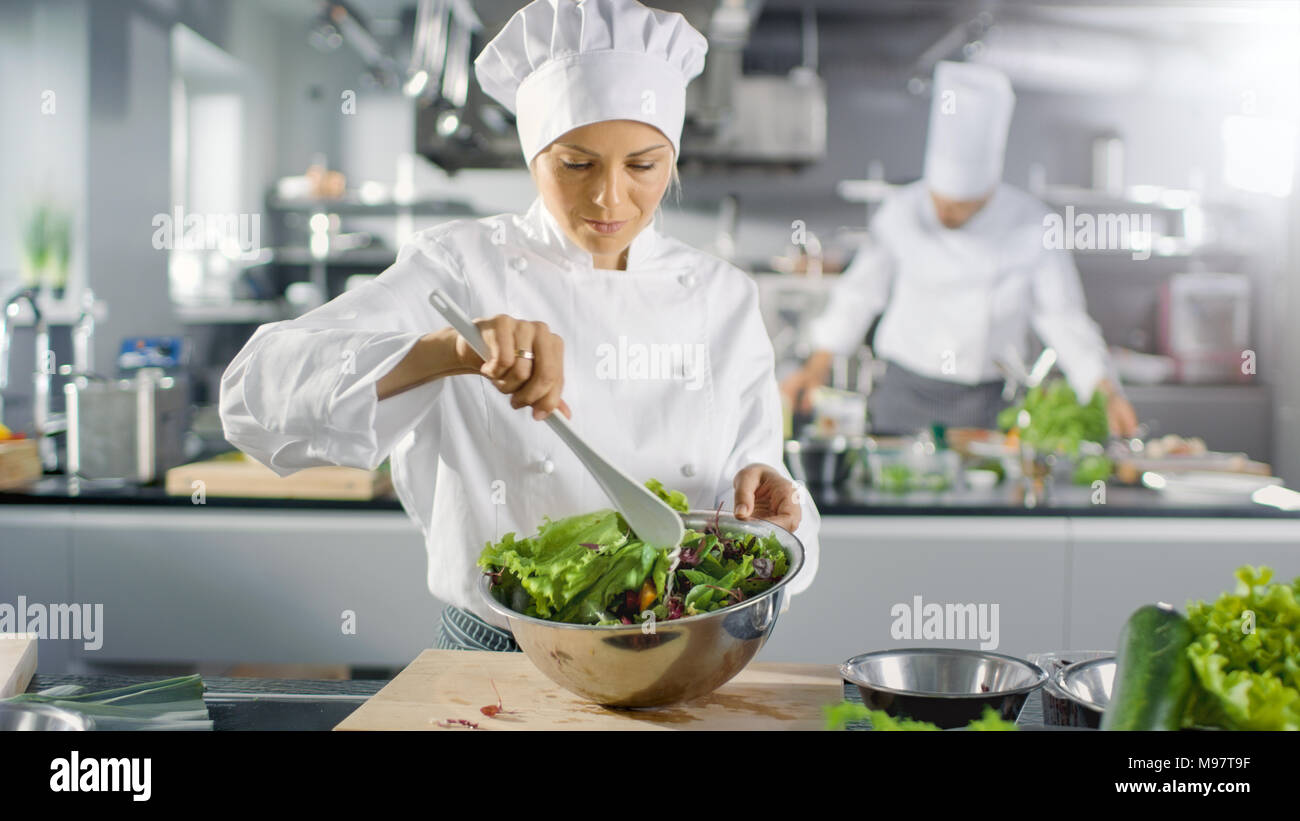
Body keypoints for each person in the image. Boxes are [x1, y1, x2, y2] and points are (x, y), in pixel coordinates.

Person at [219, 0, 820, 653]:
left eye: (643, 166)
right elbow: (253, 395)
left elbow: (756, 475)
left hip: (679, 654)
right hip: (501, 655)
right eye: (576, 163)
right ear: (533, 155)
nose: (609, 198)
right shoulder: (458, 264)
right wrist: (448, 351)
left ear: (672, 159)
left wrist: (768, 500)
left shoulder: (722, 295)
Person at [782, 60, 1139, 437]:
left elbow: (1063, 318)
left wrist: (1105, 391)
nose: (946, 214)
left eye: (961, 207)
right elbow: (859, 294)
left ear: (989, 190)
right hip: (905, 393)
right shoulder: (900, 211)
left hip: (986, 402)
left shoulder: (1033, 224)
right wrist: (815, 368)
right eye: (941, 201)